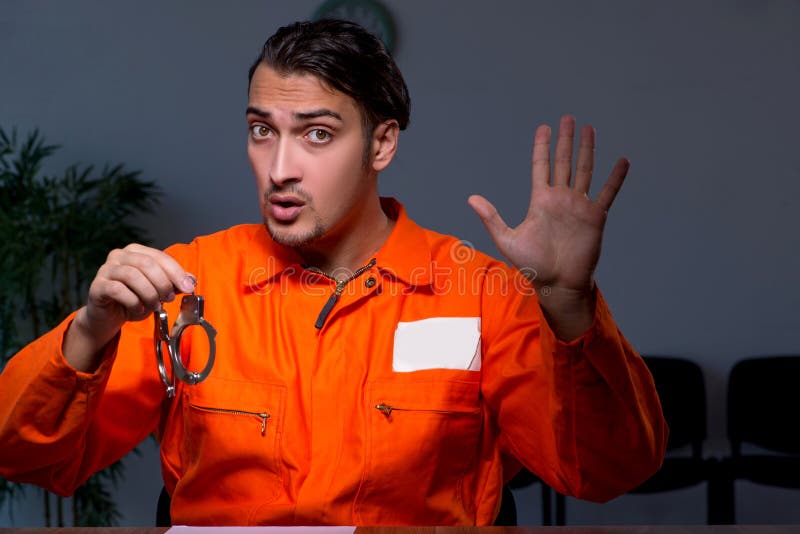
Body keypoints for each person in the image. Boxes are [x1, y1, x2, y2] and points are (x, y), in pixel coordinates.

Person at [0, 19, 666, 526]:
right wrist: (91, 329)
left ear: (382, 142)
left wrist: (569, 306)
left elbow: (607, 470)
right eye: (263, 131)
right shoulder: (189, 283)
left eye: (317, 134)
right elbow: (25, 454)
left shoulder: (479, 293)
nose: (280, 167)